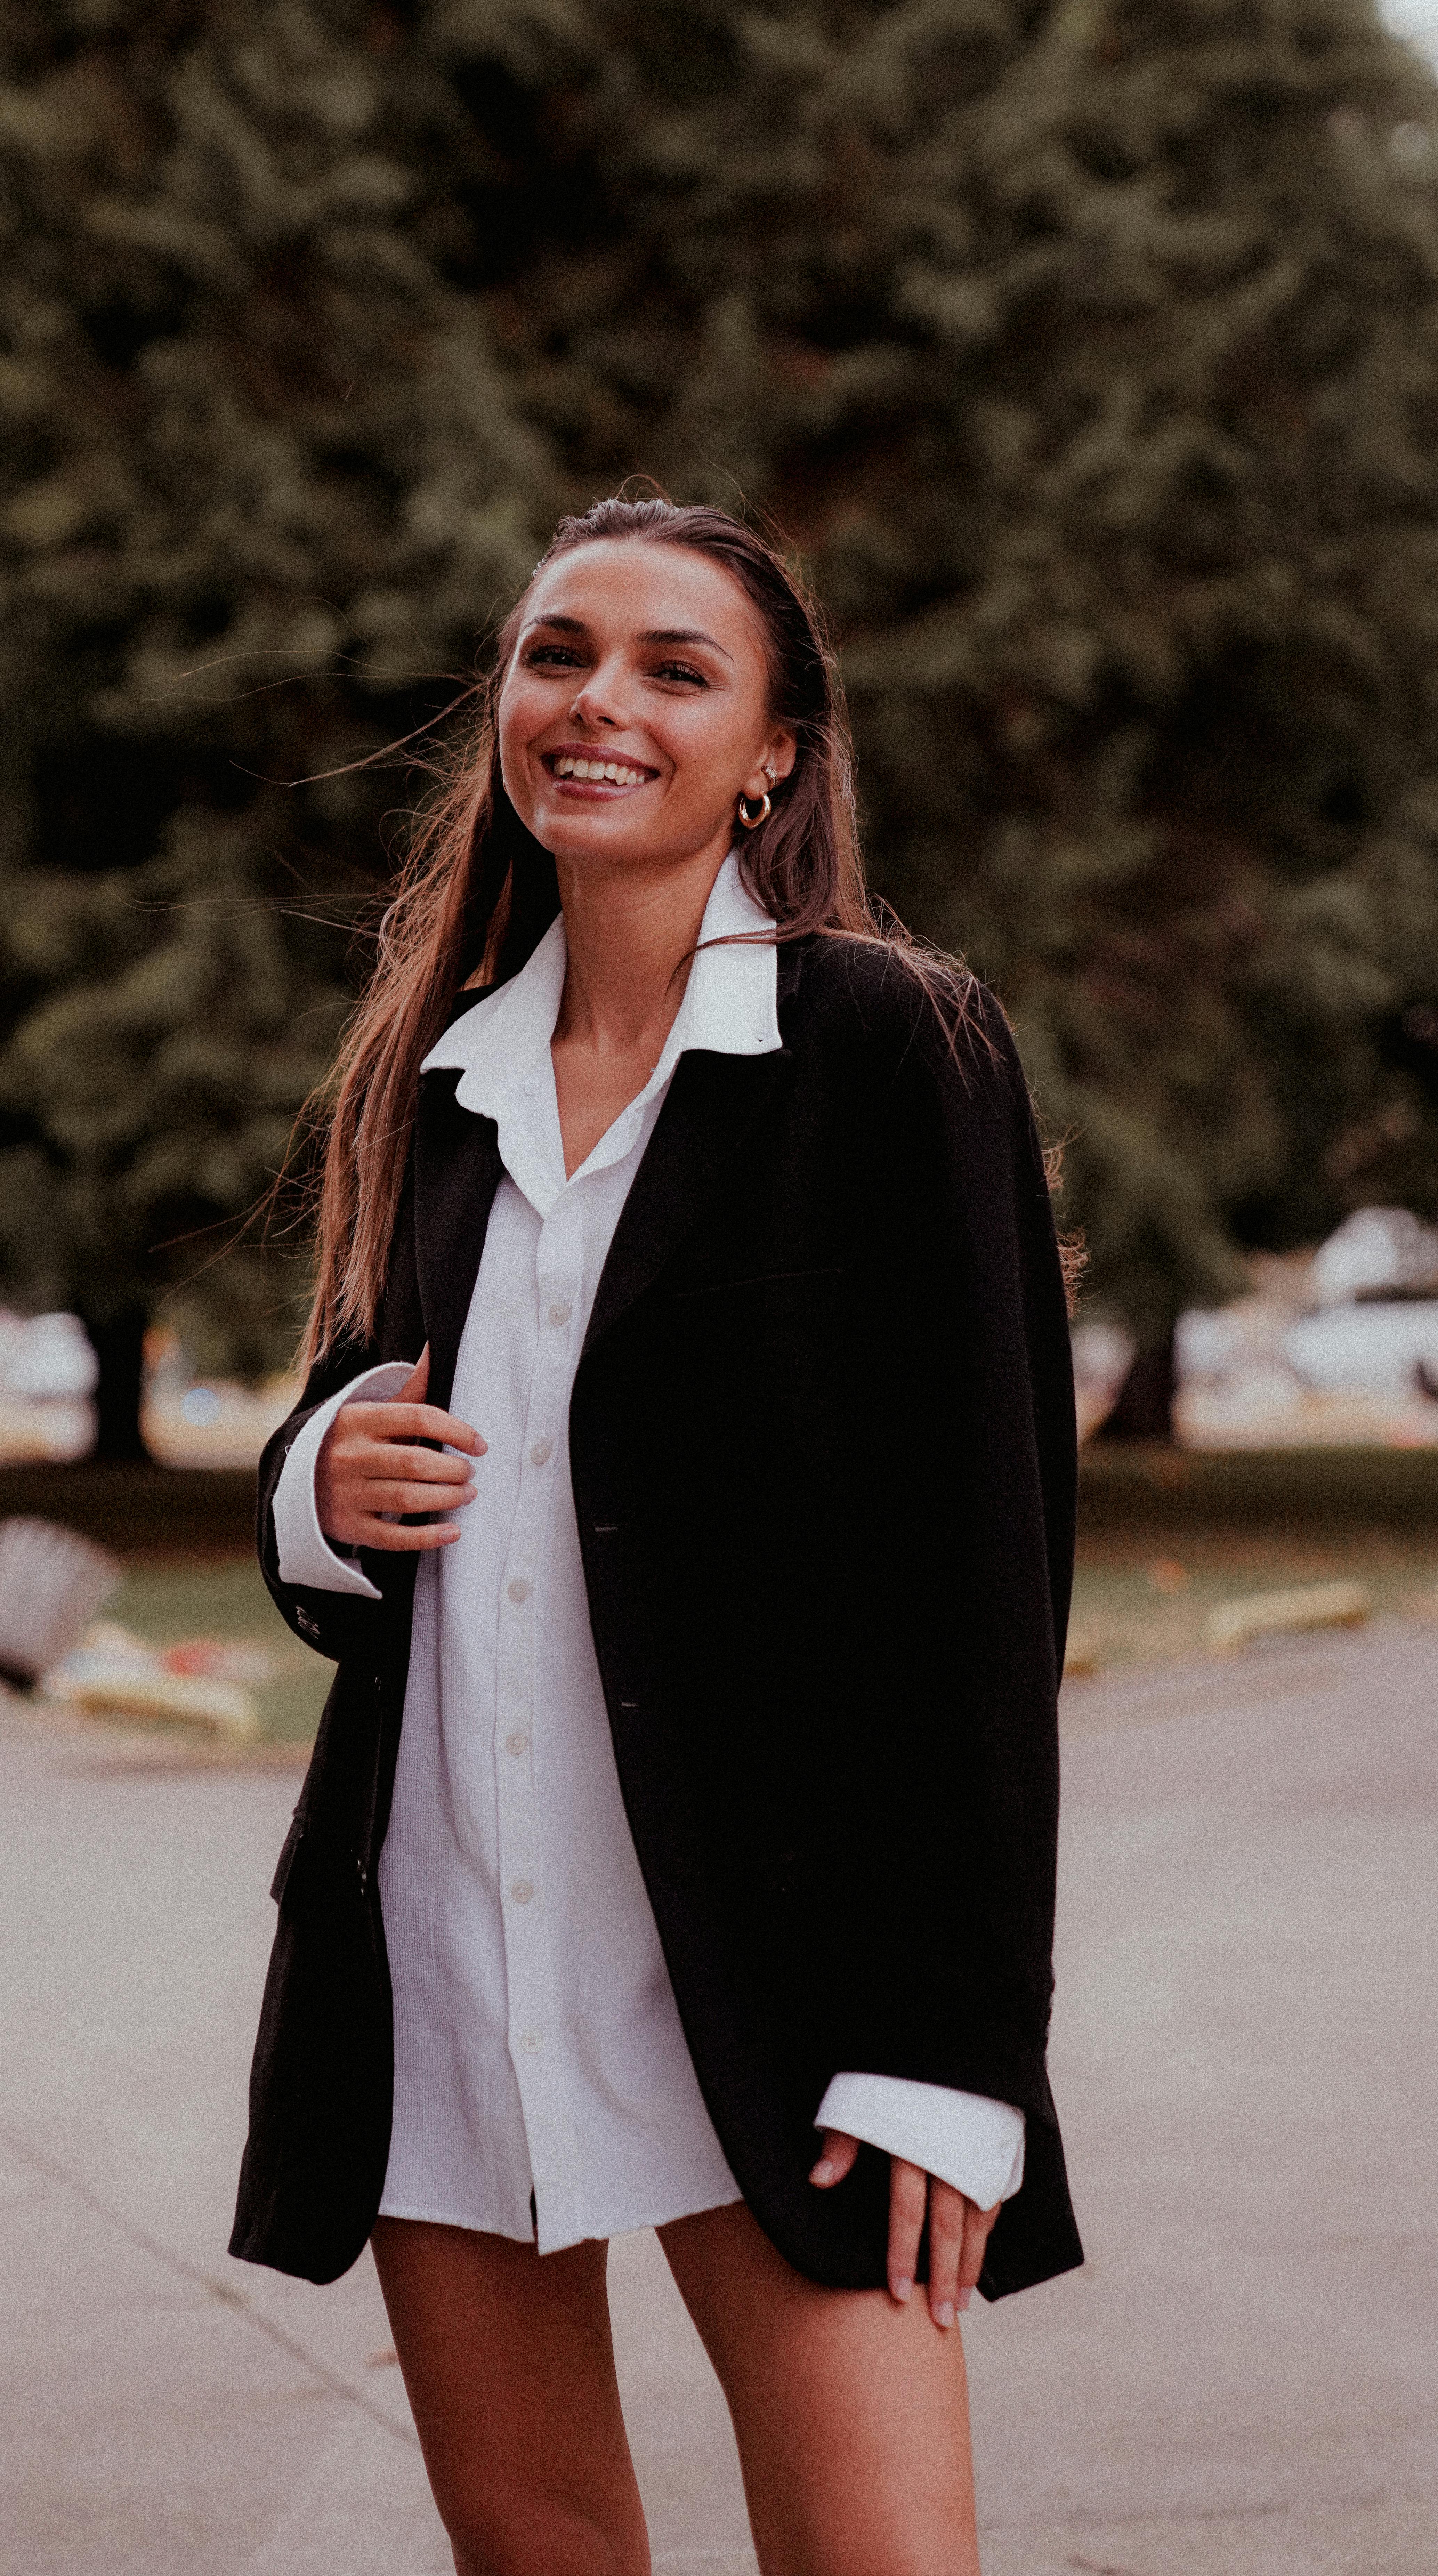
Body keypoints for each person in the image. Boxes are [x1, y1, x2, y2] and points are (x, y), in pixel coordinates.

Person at [231, 496, 1081, 2576]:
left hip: (780, 1994)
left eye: (674, 669)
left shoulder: (886, 1042)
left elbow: (986, 1574)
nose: (596, 702)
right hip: (445, 1947)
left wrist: (952, 2054)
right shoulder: (439, 1080)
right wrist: (313, 1485)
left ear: (774, 752)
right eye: (555, 654)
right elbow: (357, 1455)